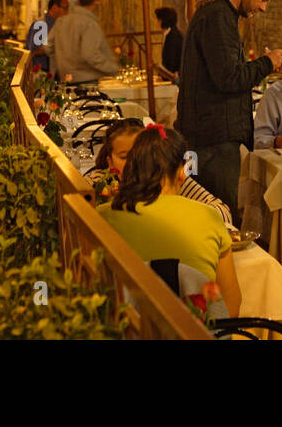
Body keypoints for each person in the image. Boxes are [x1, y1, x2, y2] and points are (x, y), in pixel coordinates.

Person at [177, 0, 282, 216]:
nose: (263, 7)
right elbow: (229, 78)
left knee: (203, 210)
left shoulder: (218, 15)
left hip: (205, 138)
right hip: (213, 142)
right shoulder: (218, 17)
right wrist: (267, 63)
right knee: (219, 215)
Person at [98, 125, 242, 315]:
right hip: (199, 328)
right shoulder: (209, 216)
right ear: (182, 173)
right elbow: (232, 304)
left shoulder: (101, 216)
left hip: (125, 326)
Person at [91, 119, 234, 225]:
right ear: (110, 161)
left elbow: (223, 212)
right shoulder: (99, 182)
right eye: (125, 156)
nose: (133, 162)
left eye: (142, 155)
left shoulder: (170, 178)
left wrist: (180, 214)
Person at [45, 0, 120, 85]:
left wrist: (62, 58)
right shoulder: (89, 23)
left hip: (66, 79)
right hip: (87, 80)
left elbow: (47, 47)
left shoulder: (61, 21)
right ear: (96, 2)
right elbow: (90, 55)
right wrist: (113, 69)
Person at [26, 0, 69, 76]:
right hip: (42, 72)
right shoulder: (41, 24)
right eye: (65, 8)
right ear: (54, 7)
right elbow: (35, 50)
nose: (67, 12)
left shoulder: (60, 24)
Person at [155, 6, 183, 81]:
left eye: (158, 19)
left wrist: (163, 78)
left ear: (163, 20)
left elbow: (172, 61)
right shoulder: (169, 34)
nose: (157, 22)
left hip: (176, 78)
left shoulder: (174, 36)